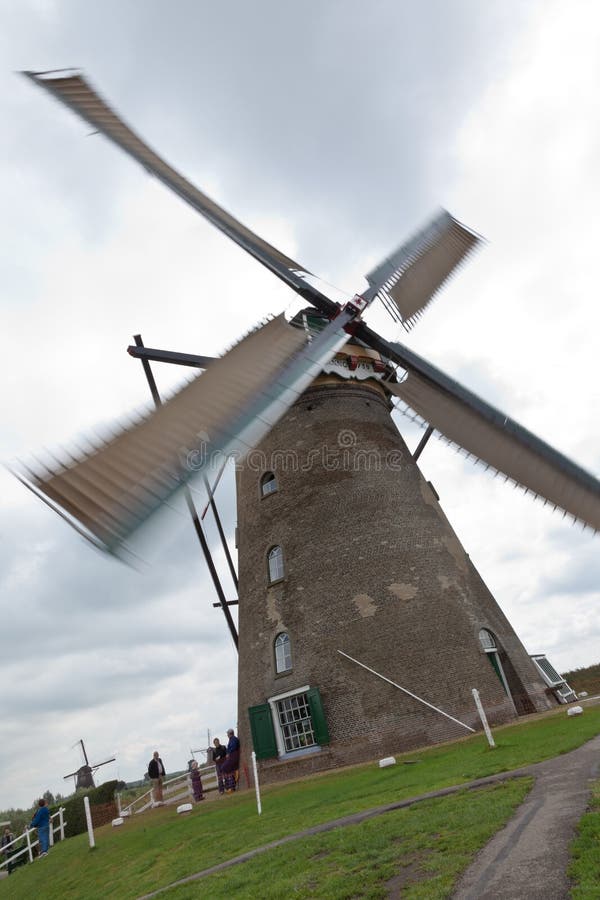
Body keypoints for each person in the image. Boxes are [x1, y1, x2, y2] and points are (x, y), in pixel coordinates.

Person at [221, 728, 240, 793]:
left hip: (233, 756)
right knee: (228, 770)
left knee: (224, 767)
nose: (227, 735)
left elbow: (233, 747)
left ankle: (231, 787)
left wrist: (228, 753)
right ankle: (231, 787)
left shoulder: (234, 739)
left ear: (230, 733)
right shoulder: (231, 739)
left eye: (227, 734)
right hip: (232, 756)